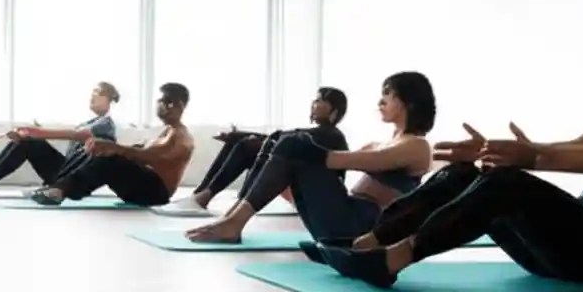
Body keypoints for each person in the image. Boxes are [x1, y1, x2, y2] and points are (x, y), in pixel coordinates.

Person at [308, 54, 583, 288]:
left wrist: (532, 158)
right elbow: (563, 150)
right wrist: (489, 154)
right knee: (466, 173)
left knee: (506, 183)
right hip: (553, 253)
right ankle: (365, 244)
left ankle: (394, 260)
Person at [185, 71, 436, 243]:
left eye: (388, 95)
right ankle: (232, 219)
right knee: (286, 145)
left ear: (409, 102)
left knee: (293, 144)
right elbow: (339, 165)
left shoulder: (417, 146)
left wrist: (299, 149)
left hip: (362, 227)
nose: (380, 101)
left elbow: (351, 161)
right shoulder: (379, 142)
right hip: (343, 219)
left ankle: (233, 222)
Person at [154, 87, 349, 215]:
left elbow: (282, 139)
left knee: (248, 146)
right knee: (241, 143)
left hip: (311, 195)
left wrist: (245, 138)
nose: (314, 104)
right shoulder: (315, 133)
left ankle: (218, 204)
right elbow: (280, 137)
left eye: (321, 101)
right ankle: (200, 196)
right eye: (314, 100)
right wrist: (237, 135)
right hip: (299, 184)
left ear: (335, 110)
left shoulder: (330, 135)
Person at [27, 83, 194, 207]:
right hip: (144, 188)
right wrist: (112, 149)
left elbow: (149, 155)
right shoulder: (165, 132)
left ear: (183, 107)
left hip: (156, 193)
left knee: (111, 159)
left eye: (172, 103)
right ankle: (59, 188)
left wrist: (115, 148)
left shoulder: (180, 136)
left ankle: (60, 190)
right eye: (162, 101)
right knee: (107, 156)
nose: (165, 107)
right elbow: (141, 153)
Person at [0, 82, 120, 196]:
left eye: (98, 92)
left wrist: (37, 132)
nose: (92, 95)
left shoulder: (106, 124)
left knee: (30, 141)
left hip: (78, 179)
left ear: (109, 99)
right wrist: (35, 133)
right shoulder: (89, 122)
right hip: (67, 171)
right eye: (92, 91)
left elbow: (76, 135)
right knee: (25, 141)